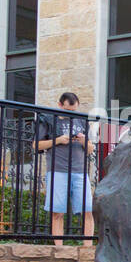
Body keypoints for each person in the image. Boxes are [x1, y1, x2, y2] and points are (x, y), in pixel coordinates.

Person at [35, 92, 94, 246]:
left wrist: (83, 141)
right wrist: (59, 140)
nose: (71, 114)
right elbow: (36, 145)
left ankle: (87, 249)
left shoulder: (82, 121)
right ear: (60, 105)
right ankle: (59, 250)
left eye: (74, 111)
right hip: (58, 170)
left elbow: (90, 149)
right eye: (68, 110)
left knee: (88, 210)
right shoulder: (48, 119)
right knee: (57, 212)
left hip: (80, 171)